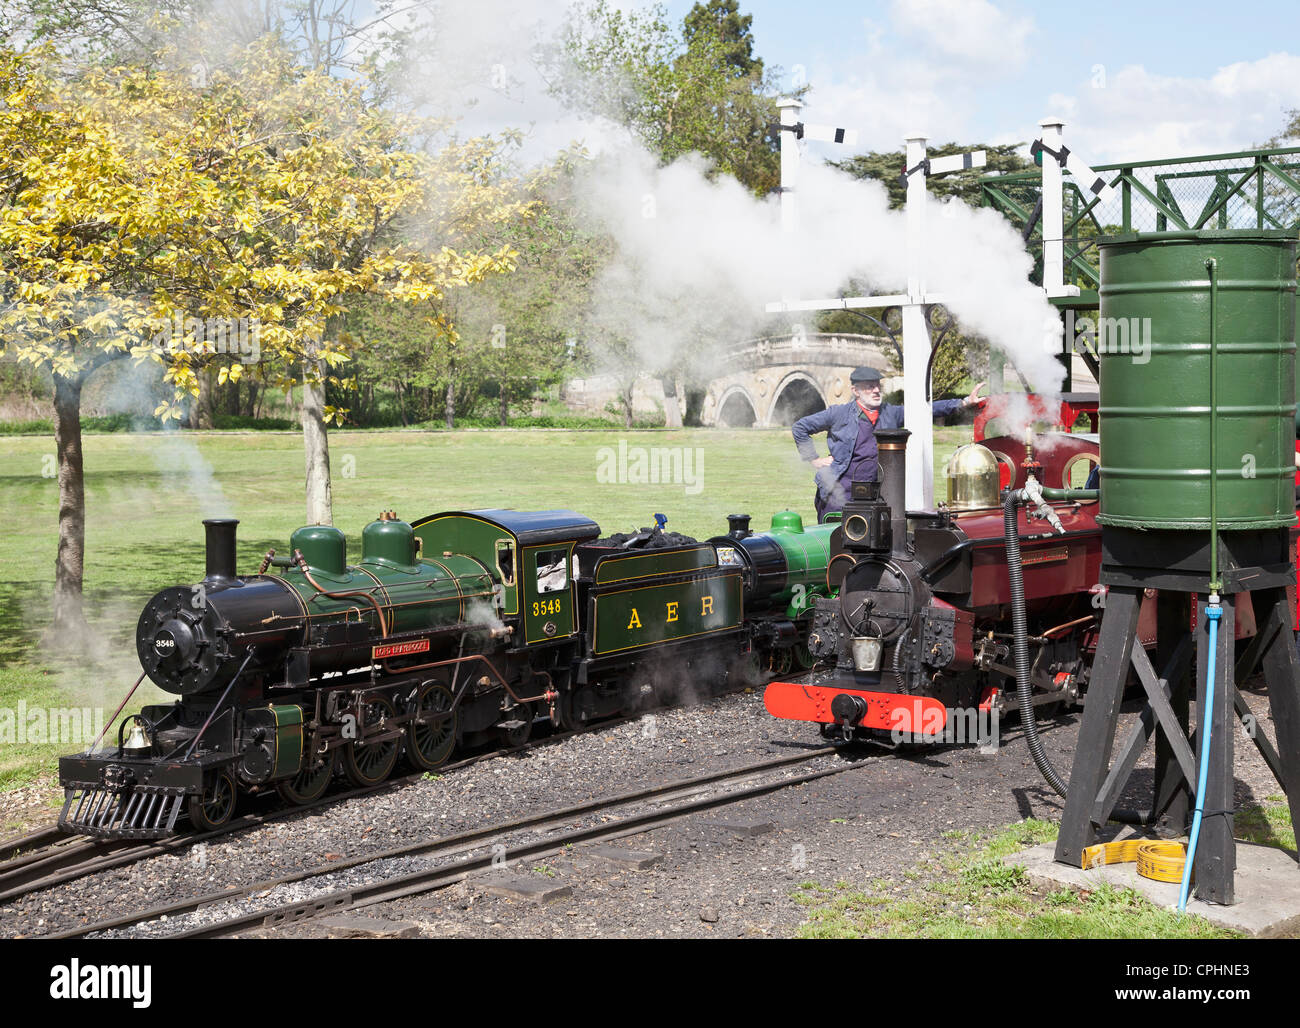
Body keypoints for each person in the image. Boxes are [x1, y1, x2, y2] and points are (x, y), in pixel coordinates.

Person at [792, 366, 986, 522]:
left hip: (876, 496)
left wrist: (963, 402)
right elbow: (800, 427)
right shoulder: (838, 413)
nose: (876, 390)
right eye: (869, 386)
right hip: (838, 495)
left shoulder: (890, 412)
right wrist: (814, 459)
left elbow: (925, 410)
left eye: (877, 386)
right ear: (855, 391)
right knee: (833, 547)